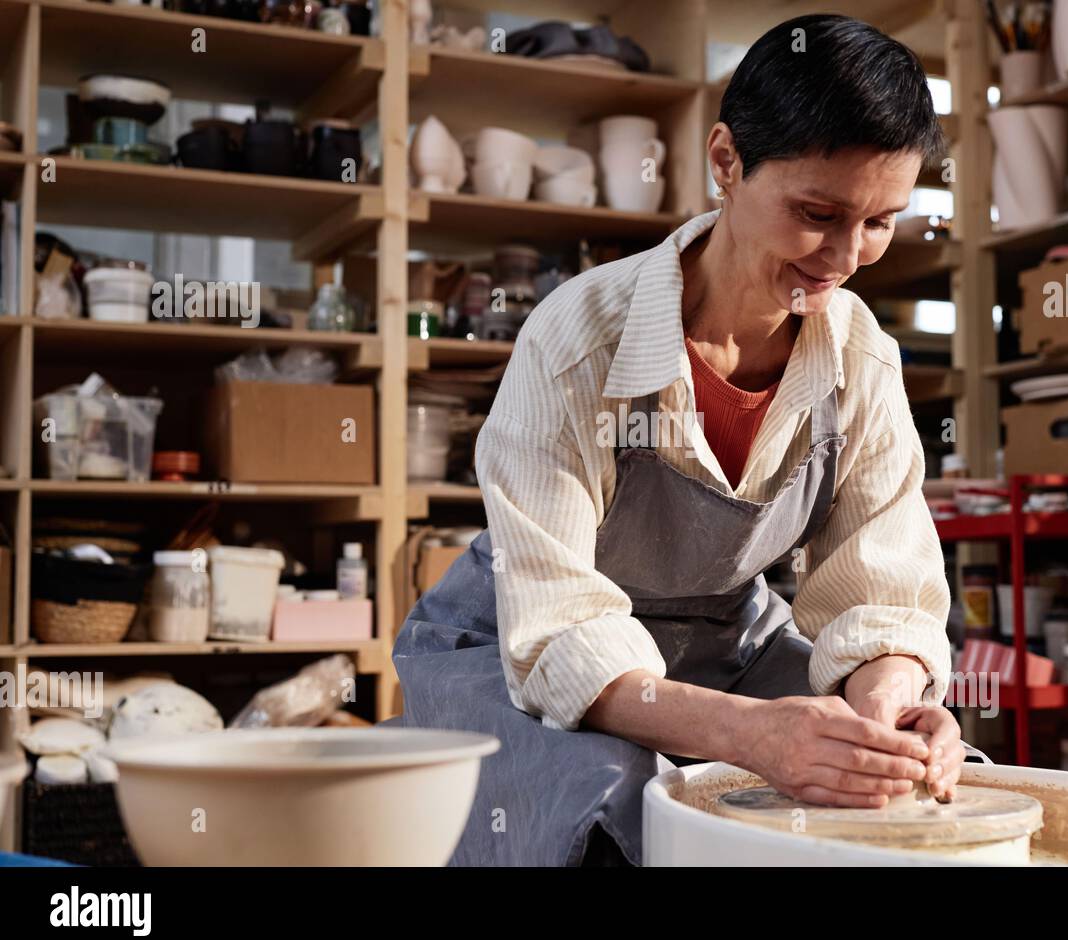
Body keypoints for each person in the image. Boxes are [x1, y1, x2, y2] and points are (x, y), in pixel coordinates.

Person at [394, 13, 961, 866]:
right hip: (516, 648)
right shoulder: (576, 340)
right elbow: (557, 625)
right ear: (725, 162)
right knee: (628, 795)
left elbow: (879, 583)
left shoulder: (860, 359)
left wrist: (886, 710)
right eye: (818, 212)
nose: (845, 256)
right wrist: (752, 736)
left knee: (925, 793)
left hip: (721, 645)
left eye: (880, 221)